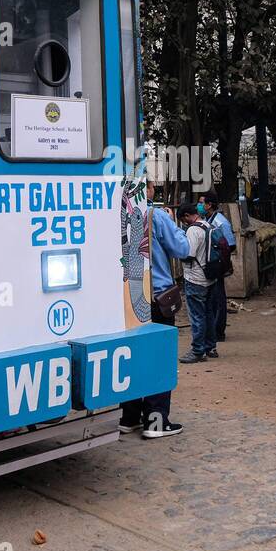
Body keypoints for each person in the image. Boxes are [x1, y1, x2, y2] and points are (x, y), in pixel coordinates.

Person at [120, 184, 188, 439]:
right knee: (159, 358)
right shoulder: (156, 216)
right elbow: (182, 249)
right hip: (156, 299)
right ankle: (156, 421)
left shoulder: (113, 214)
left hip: (126, 298)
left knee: (132, 356)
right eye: (150, 186)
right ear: (145, 189)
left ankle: (128, 416)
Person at [177, 200, 216, 364]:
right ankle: (210, 347)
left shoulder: (193, 230)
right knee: (208, 314)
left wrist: (177, 249)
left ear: (187, 216)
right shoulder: (208, 225)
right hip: (210, 276)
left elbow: (189, 254)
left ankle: (198, 350)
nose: (184, 223)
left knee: (197, 316)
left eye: (183, 220)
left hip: (195, 277)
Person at [202, 191, 236, 343]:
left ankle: (219, 330)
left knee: (218, 297)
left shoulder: (221, 222)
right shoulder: (207, 220)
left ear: (209, 205)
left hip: (217, 264)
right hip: (210, 264)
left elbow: (231, 245)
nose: (199, 205)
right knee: (211, 297)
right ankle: (213, 329)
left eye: (201, 203)